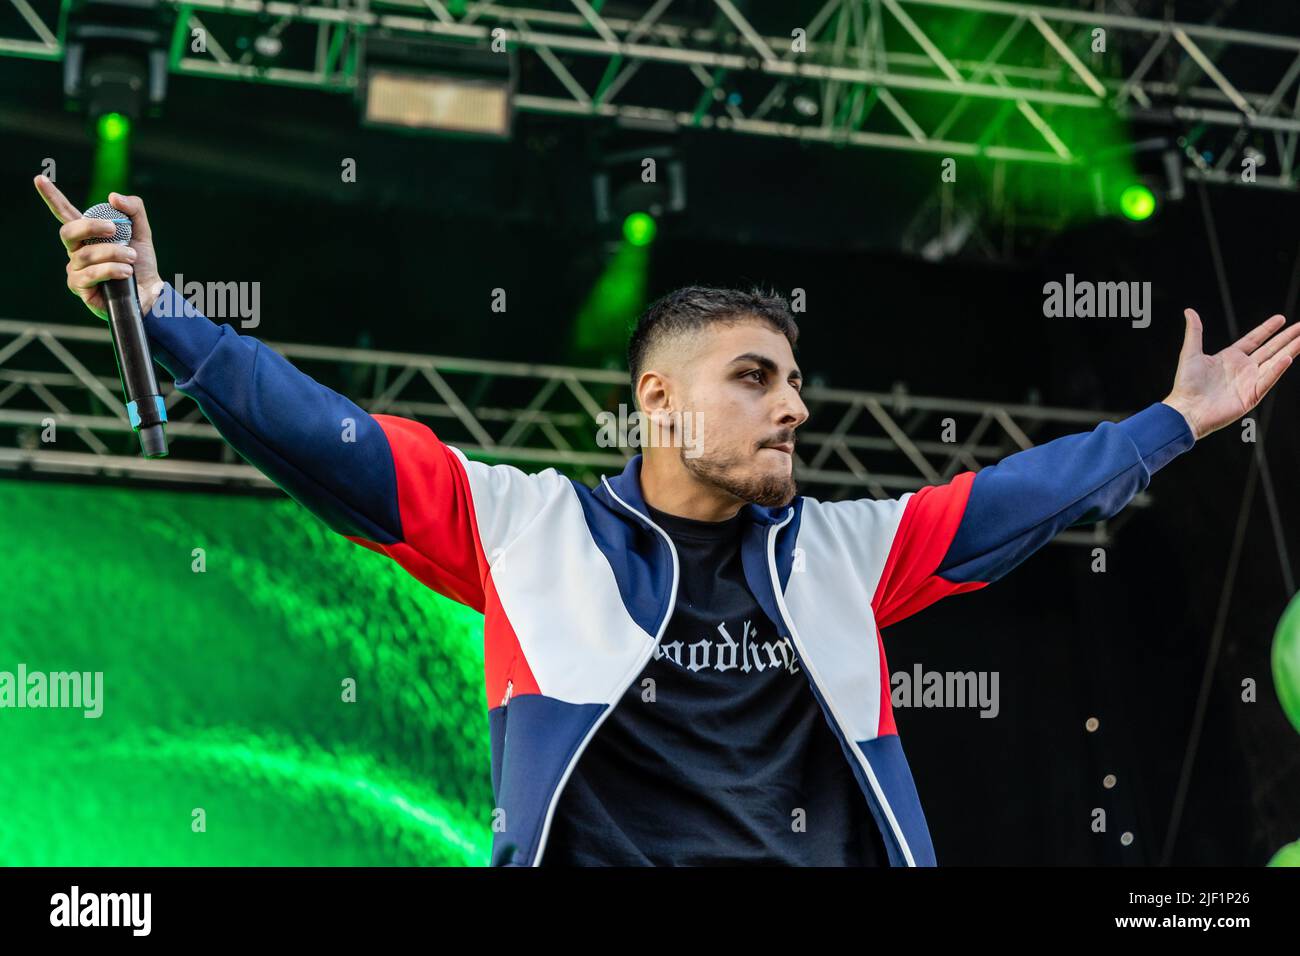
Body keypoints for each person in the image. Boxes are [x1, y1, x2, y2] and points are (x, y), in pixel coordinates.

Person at [34, 180, 1300, 866]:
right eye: (755, 376)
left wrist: (1172, 424)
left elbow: (1026, 499)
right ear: (656, 398)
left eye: (795, 379)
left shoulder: (845, 553)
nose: (794, 405)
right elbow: (327, 436)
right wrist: (171, 312)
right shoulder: (528, 529)